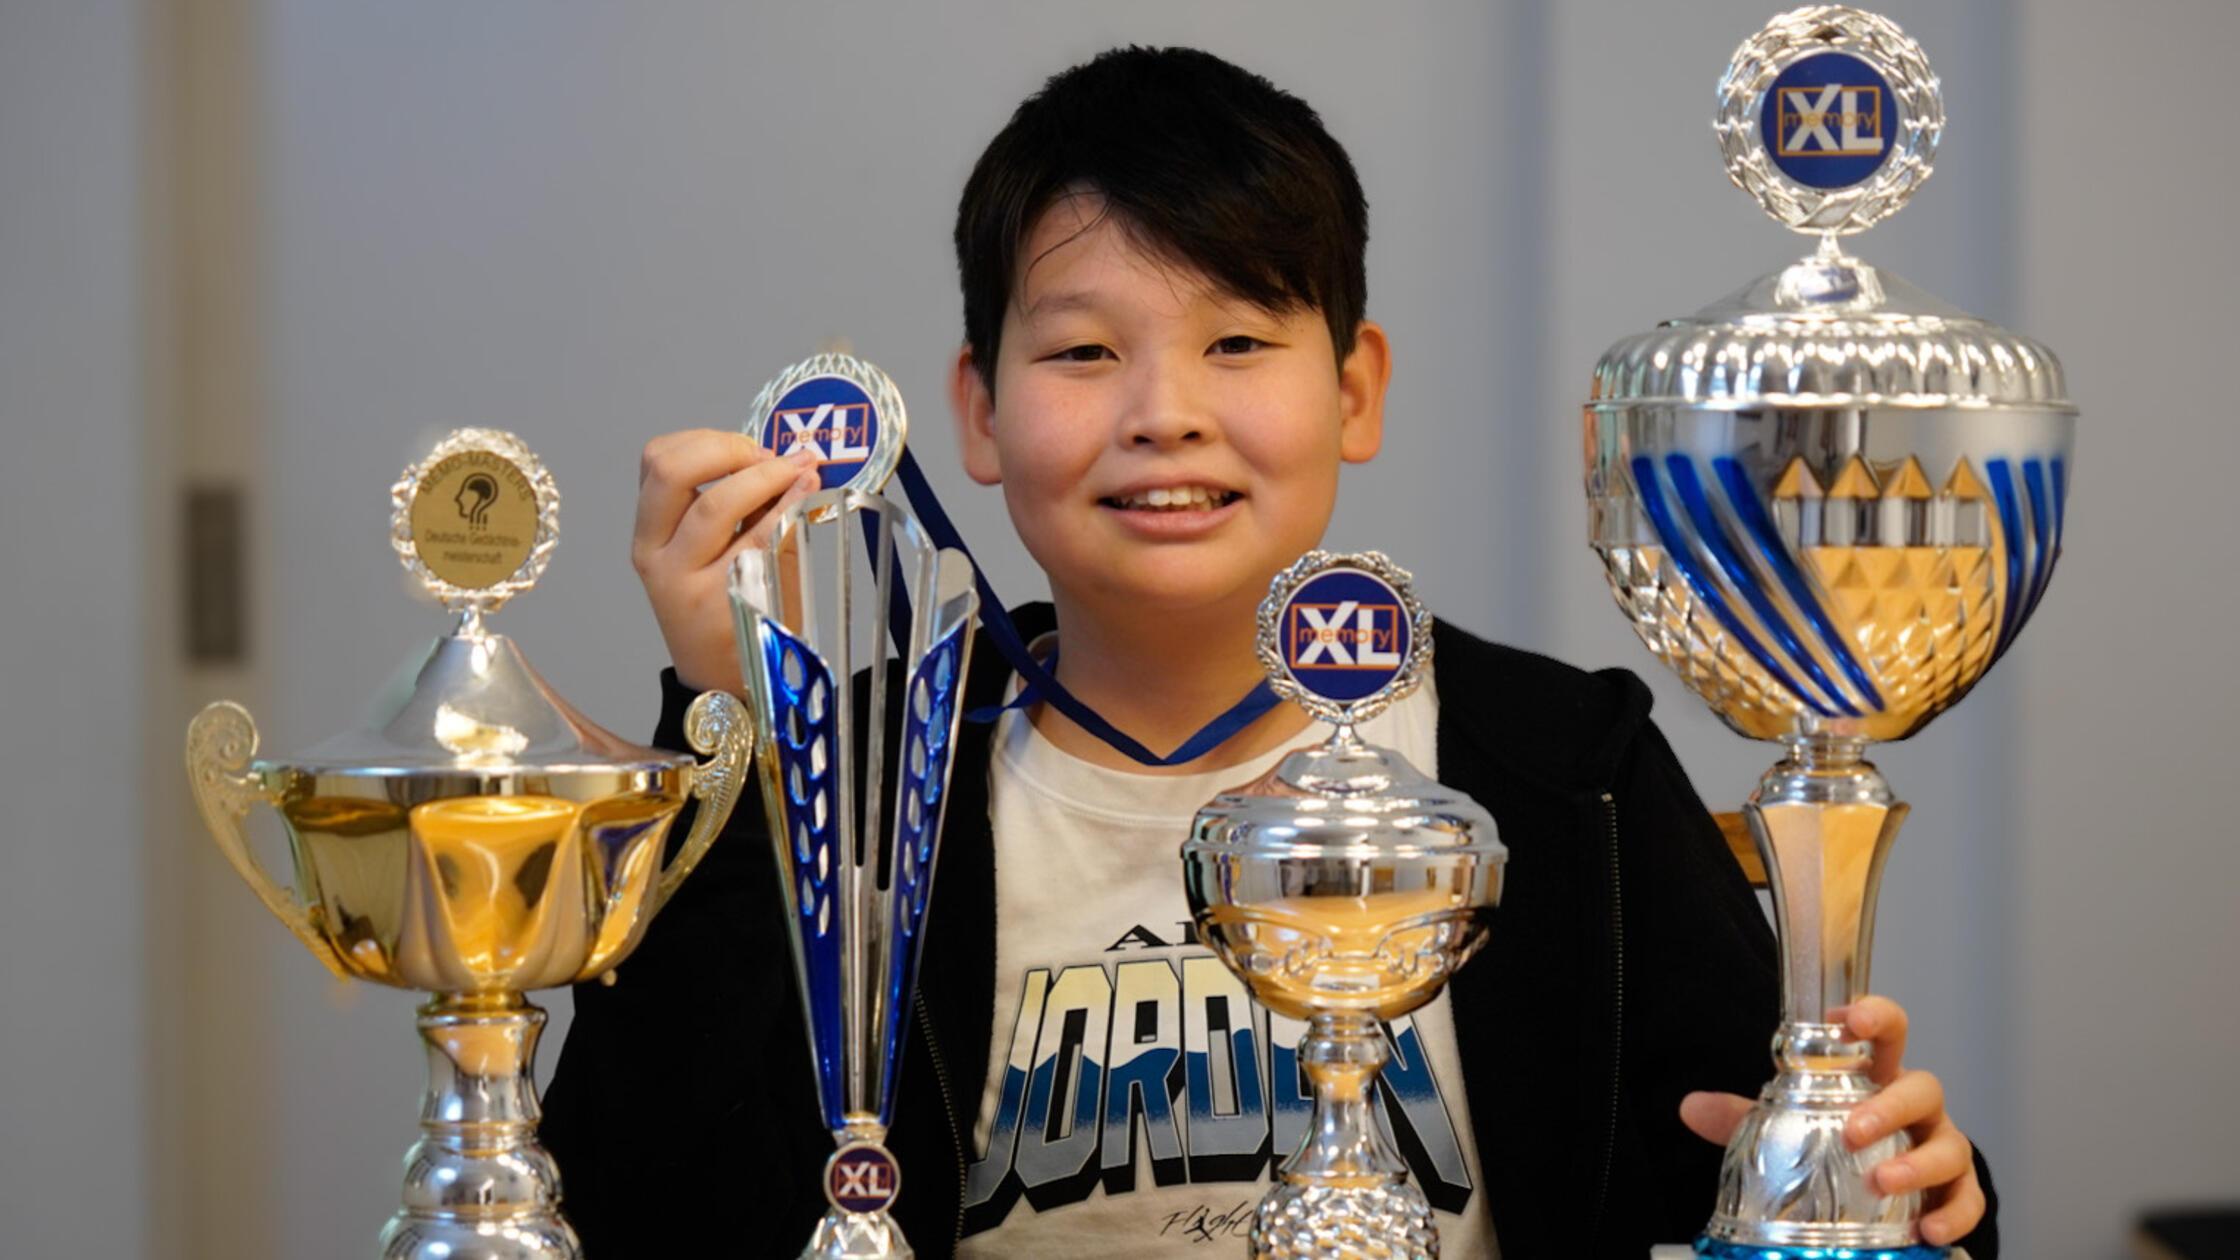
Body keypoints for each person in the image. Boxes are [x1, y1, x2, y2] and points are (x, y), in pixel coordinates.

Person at [541, 46, 1995, 1258]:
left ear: (1356, 391)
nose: (1165, 413)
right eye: (1083, 352)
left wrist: (1910, 1189)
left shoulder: (1567, 771)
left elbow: (1785, 1177)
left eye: (1238, 342)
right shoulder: (859, 776)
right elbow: (624, 1207)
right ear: (977, 413)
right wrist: (736, 726)